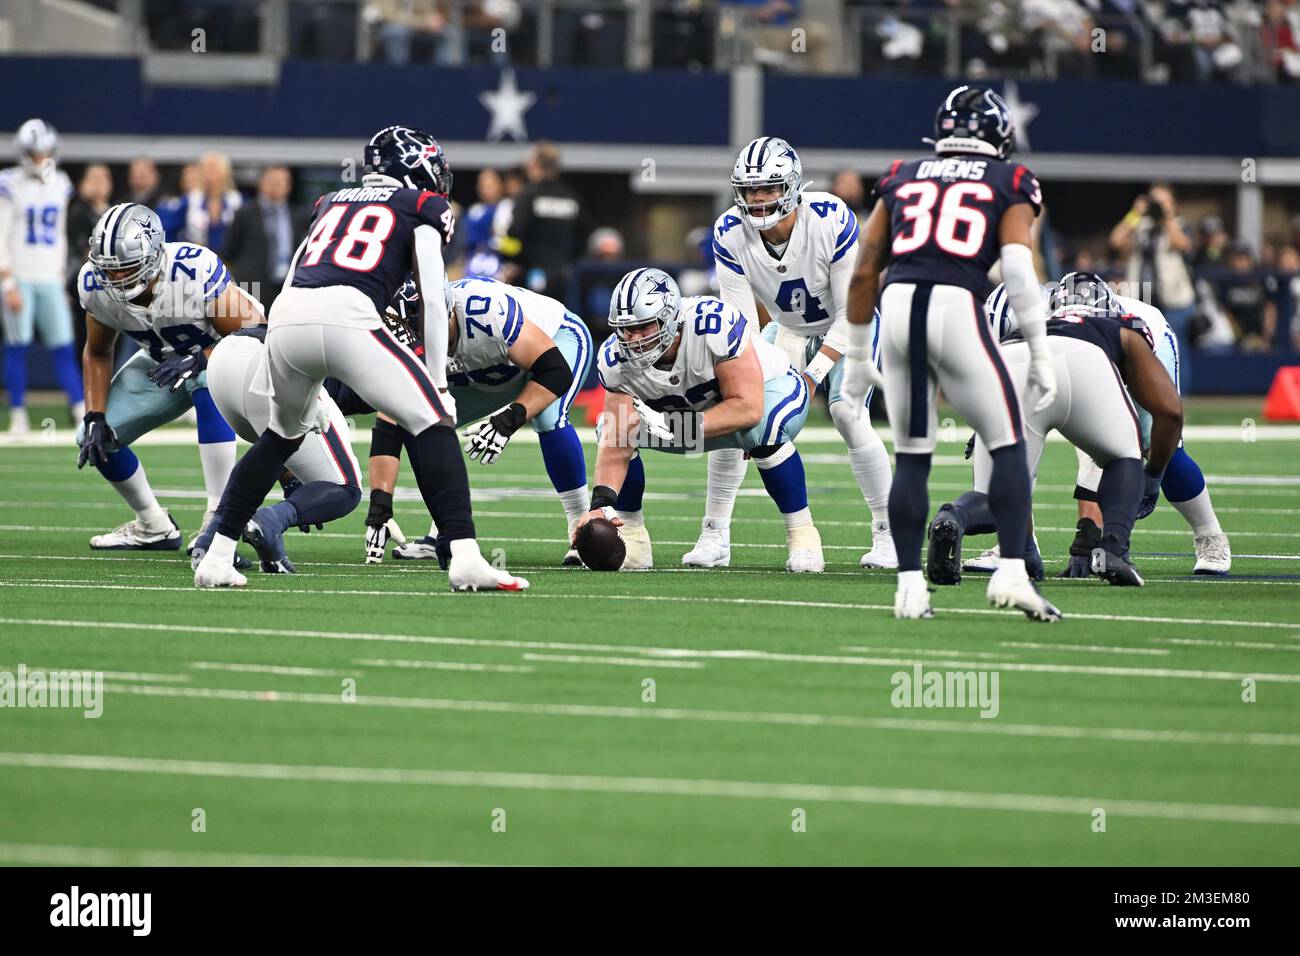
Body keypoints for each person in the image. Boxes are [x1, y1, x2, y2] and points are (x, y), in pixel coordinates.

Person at [192, 126, 527, 592]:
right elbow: (433, 297)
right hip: (348, 314)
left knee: (279, 436)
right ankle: (466, 556)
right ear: (415, 167)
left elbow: (296, 272)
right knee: (432, 421)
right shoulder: (421, 206)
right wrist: (438, 383)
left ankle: (218, 555)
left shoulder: (330, 201)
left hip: (288, 317)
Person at [842, 85, 1061, 621]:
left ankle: (909, 588)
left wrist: (854, 354)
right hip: (957, 305)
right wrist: (1039, 351)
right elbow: (1015, 269)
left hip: (896, 307)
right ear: (1000, 136)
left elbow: (866, 267)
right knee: (1008, 444)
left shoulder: (902, 174)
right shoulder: (1011, 179)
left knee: (913, 457)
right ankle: (1010, 573)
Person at [702, 136, 894, 570]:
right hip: (786, 330)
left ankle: (888, 534)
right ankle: (714, 534)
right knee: (734, 413)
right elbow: (740, 324)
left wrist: (813, 376)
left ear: (790, 186)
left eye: (768, 188)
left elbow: (852, 308)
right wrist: (745, 386)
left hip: (850, 324)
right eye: (750, 189)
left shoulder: (829, 217)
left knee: (847, 413)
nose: (758, 198)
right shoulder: (729, 231)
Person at [931, 273, 1185, 588]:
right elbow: (1170, 413)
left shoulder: (1025, 327)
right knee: (1122, 457)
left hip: (1013, 362)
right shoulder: (1125, 323)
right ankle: (1113, 549)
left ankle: (953, 516)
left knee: (996, 494)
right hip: (1085, 360)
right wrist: (1153, 475)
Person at [579, 267, 825, 573]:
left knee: (765, 427)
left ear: (669, 318)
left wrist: (674, 428)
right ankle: (633, 540)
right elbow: (617, 437)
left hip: (772, 391)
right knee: (613, 428)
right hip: (690, 419)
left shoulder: (712, 325)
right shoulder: (616, 360)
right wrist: (600, 505)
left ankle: (802, 534)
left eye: (644, 327)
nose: (635, 339)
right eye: (627, 330)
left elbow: (748, 408)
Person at [349, 273, 592, 566]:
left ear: (448, 311)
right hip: (485, 372)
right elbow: (391, 418)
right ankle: (446, 528)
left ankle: (582, 527)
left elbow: (555, 372)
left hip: (554, 340)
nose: (426, 339)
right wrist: (380, 506)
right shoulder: (405, 341)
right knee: (422, 421)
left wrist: (511, 417)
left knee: (547, 416)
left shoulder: (486, 311)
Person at [74, 203, 259, 557]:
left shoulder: (192, 269)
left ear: (153, 254)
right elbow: (97, 352)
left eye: (124, 268)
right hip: (163, 363)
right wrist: (95, 415)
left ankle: (218, 518)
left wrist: (200, 359)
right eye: (108, 270)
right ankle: (152, 525)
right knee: (92, 437)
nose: (114, 279)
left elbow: (254, 332)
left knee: (207, 381)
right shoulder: (93, 285)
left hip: (227, 357)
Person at [192, 326, 362, 573]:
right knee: (346, 489)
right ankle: (270, 522)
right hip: (271, 367)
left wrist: (290, 479)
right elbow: (393, 431)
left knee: (270, 447)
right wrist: (381, 506)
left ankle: (211, 539)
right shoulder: (398, 356)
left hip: (225, 360)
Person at [0, 119, 83, 432]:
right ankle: (19, 415)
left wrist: (61, 279)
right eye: (36, 152)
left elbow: (60, 235)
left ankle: (80, 411)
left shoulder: (60, 183)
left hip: (49, 276)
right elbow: (1, 234)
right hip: (19, 274)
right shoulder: (8, 182)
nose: (40, 158)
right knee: (16, 346)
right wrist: (7, 281)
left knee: (64, 346)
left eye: (45, 151)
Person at [502, 142, 589, 295]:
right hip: (563, 276)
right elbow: (584, 235)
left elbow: (514, 232)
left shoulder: (528, 195)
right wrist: (568, 261)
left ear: (535, 165)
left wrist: (511, 259)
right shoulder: (571, 197)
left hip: (530, 276)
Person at [222, 165, 309, 311]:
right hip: (253, 287)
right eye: (272, 181)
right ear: (261, 183)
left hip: (286, 287)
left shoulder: (298, 215)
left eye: (282, 182)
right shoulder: (245, 213)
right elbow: (229, 251)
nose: (277, 186)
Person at [157, 152, 243, 250]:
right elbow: (168, 228)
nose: (210, 177)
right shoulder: (191, 200)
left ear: (225, 173)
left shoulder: (237, 202)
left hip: (229, 259)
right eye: (206, 170)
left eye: (215, 170)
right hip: (198, 259)